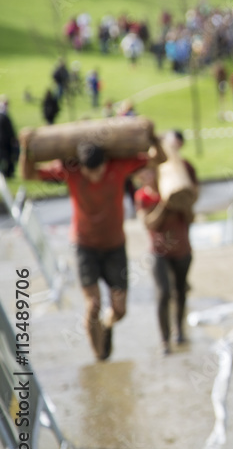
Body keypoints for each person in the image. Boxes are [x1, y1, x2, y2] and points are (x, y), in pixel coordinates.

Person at [19, 134, 164, 361]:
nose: (93, 176)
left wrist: (154, 140)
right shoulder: (72, 171)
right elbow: (28, 174)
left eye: (98, 171)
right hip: (84, 245)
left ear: (106, 163)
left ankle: (107, 325)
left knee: (120, 309)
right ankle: (100, 357)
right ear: (81, 166)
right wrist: (26, 149)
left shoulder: (118, 166)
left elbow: (158, 159)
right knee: (93, 304)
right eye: (89, 171)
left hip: (114, 245)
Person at [135, 131, 198, 355]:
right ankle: (164, 340)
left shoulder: (173, 189)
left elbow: (190, 218)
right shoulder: (143, 197)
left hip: (182, 249)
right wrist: (164, 205)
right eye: (142, 174)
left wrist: (184, 204)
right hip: (158, 252)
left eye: (148, 173)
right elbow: (150, 224)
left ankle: (178, 331)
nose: (146, 177)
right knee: (163, 294)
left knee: (180, 291)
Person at [0, 96, 18, 178]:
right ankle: (7, 173)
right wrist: (13, 138)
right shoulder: (5, 116)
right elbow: (9, 130)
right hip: (5, 141)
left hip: (3, 140)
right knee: (7, 157)